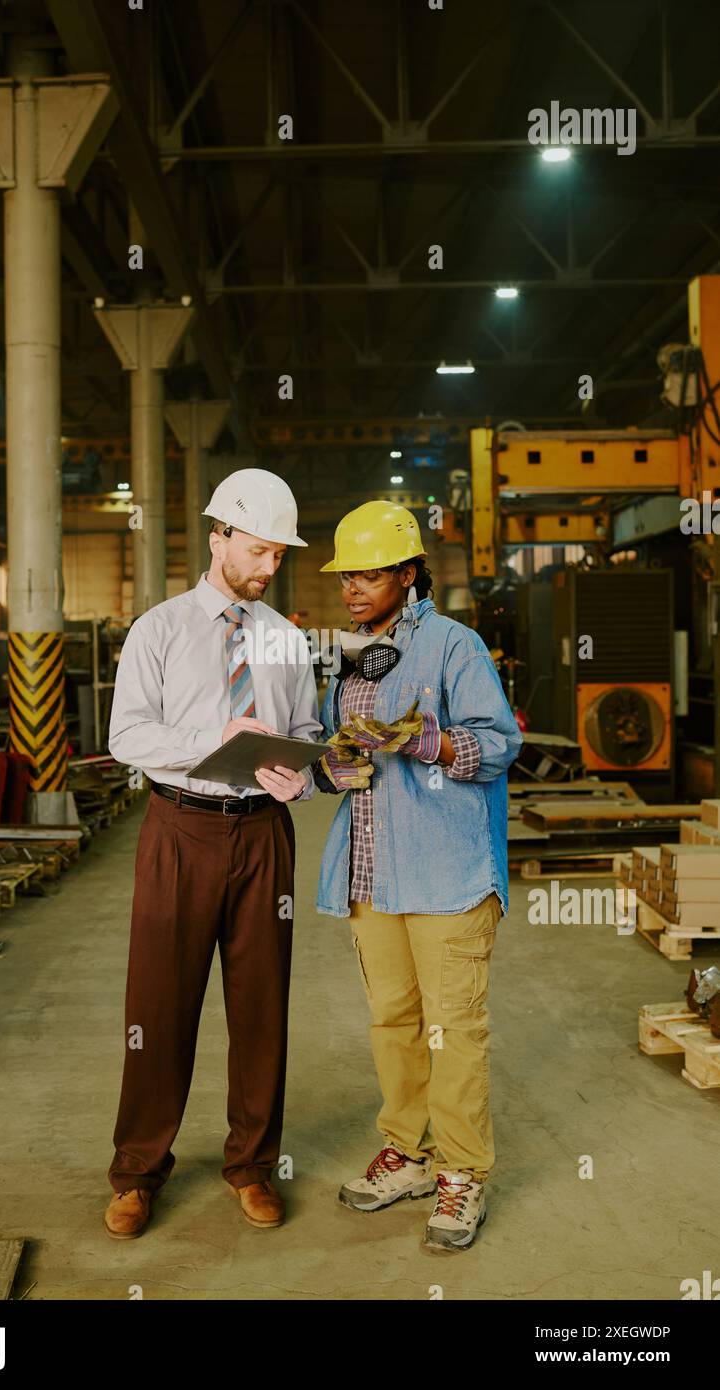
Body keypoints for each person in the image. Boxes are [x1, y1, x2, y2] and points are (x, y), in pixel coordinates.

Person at [103, 468, 321, 1239]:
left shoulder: (287, 640)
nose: (269, 568)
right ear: (218, 537)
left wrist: (302, 773)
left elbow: (303, 734)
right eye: (258, 550)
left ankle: (253, 1166)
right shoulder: (158, 631)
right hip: (179, 831)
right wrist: (213, 741)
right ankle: (137, 1173)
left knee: (261, 1008)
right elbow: (125, 737)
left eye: (278, 556)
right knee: (158, 1007)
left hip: (264, 835)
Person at [313, 501, 522, 1252]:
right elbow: (337, 750)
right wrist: (333, 765)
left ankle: (464, 1174)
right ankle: (412, 1152)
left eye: (369, 574)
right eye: (347, 577)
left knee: (453, 1030)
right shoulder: (353, 657)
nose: (354, 589)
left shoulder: (454, 645)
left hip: (447, 872)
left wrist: (434, 742)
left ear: (406, 573)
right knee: (392, 1024)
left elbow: (501, 743)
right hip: (371, 872)